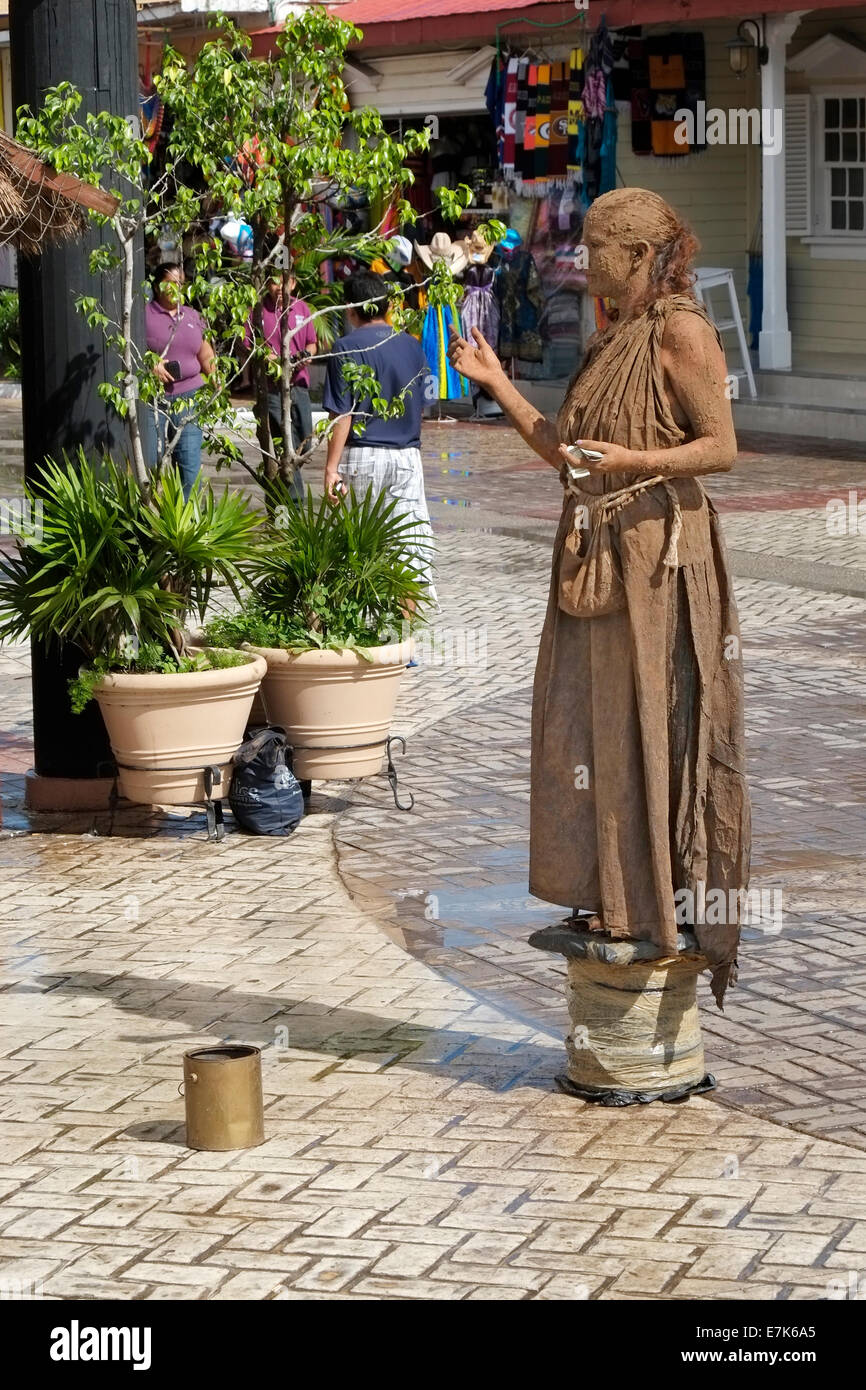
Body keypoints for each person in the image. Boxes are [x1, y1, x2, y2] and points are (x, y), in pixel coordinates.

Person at [448, 188, 750, 1008]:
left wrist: (629, 465)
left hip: (658, 560)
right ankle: (612, 892)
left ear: (642, 254)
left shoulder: (683, 331)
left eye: (599, 254)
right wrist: (500, 386)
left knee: (651, 720)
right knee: (595, 727)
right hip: (594, 556)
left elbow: (722, 448)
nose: (585, 267)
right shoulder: (610, 337)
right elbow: (565, 452)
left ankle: (652, 897)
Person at [322, 269, 435, 591]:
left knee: (358, 547)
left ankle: (362, 624)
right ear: (387, 305)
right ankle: (405, 624)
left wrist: (331, 469)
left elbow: (341, 415)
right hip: (408, 457)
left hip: (363, 456)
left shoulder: (345, 346)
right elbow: (421, 404)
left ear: (351, 309)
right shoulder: (412, 346)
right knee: (410, 549)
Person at [244, 272, 318, 503]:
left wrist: (305, 356)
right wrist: (270, 359)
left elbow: (312, 344)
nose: (279, 287)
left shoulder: (302, 308)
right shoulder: (257, 310)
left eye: (285, 281)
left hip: (298, 385)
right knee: (284, 446)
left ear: (293, 283)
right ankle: (292, 504)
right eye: (274, 281)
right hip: (272, 388)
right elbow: (248, 344)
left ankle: (284, 497)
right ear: (267, 284)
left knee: (304, 442)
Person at [144, 262, 215, 499]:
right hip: (154, 398)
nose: (177, 287)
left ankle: (188, 523)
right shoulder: (142, 315)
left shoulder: (192, 315)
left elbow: (205, 354)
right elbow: (128, 351)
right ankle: (153, 521)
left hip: (190, 396)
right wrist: (149, 364)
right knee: (153, 461)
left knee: (189, 464)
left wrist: (217, 381)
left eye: (180, 283)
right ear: (157, 286)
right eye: (171, 282)